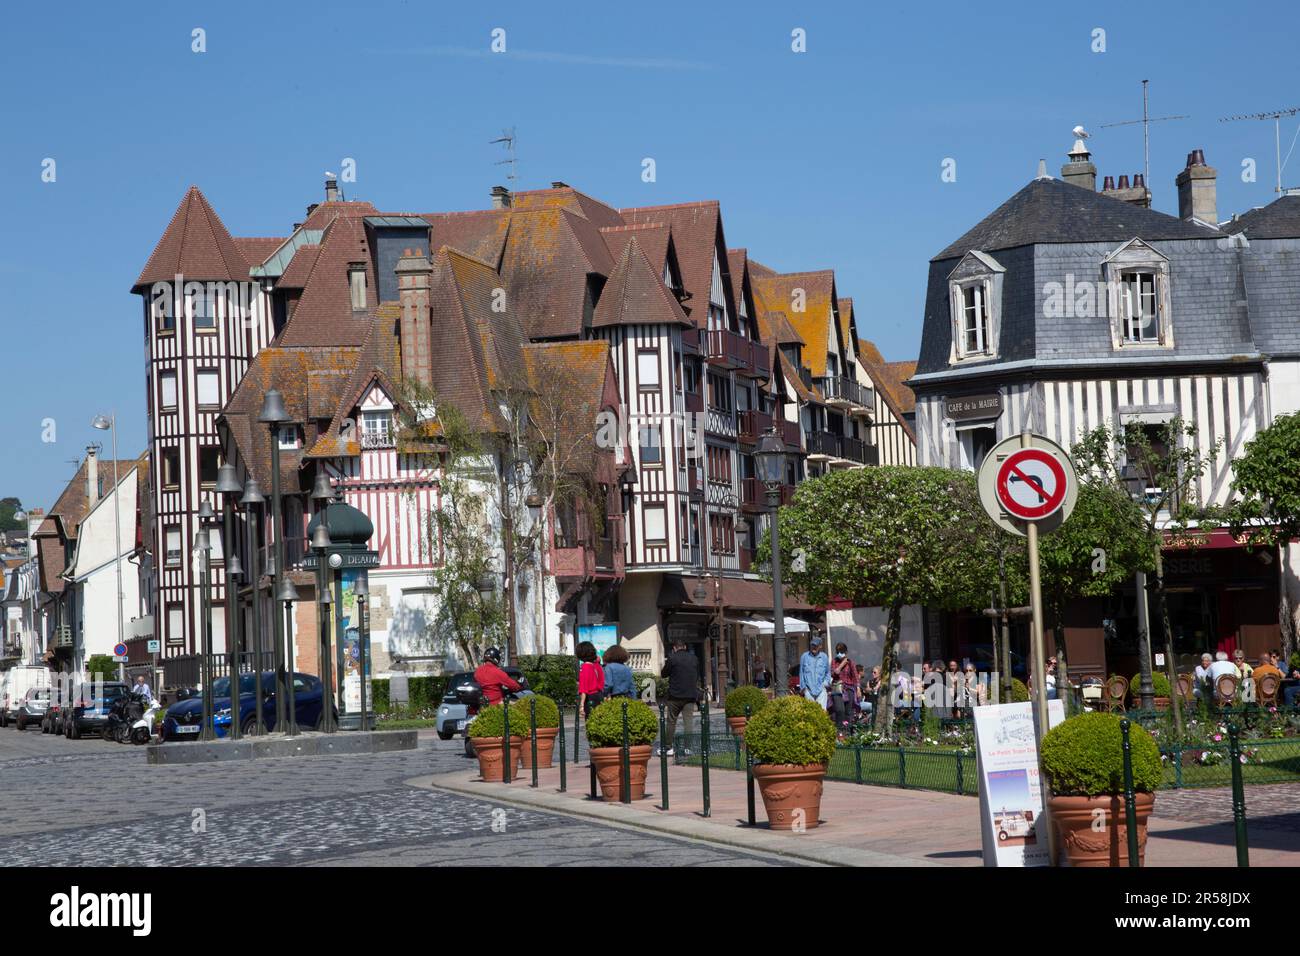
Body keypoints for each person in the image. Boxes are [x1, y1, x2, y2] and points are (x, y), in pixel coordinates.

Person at [661, 639, 701, 756]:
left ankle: (668, 747)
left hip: (675, 696)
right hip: (690, 695)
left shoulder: (672, 658)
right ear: (685, 647)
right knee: (688, 722)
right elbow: (697, 675)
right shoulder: (694, 658)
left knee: (671, 721)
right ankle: (688, 748)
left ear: (674, 648)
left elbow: (664, 674)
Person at [830, 642, 860, 731]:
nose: (840, 653)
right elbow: (834, 673)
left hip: (849, 689)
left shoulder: (850, 663)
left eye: (842, 651)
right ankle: (839, 730)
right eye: (838, 651)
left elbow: (855, 676)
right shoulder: (834, 661)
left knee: (848, 712)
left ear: (846, 652)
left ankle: (847, 731)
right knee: (840, 710)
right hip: (837, 688)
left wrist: (858, 688)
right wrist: (842, 664)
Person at [799, 636, 831, 709]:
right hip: (808, 691)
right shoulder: (804, 656)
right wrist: (804, 689)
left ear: (820, 646)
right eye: (812, 645)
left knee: (822, 713)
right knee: (810, 714)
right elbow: (801, 674)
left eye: (816, 646)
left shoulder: (824, 657)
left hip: (821, 691)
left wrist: (825, 684)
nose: (814, 647)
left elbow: (828, 673)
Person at [576, 641, 606, 718]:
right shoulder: (597, 665)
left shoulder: (585, 666)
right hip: (599, 696)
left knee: (590, 721)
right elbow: (602, 682)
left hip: (590, 698)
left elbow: (584, 688)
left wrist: (581, 705)